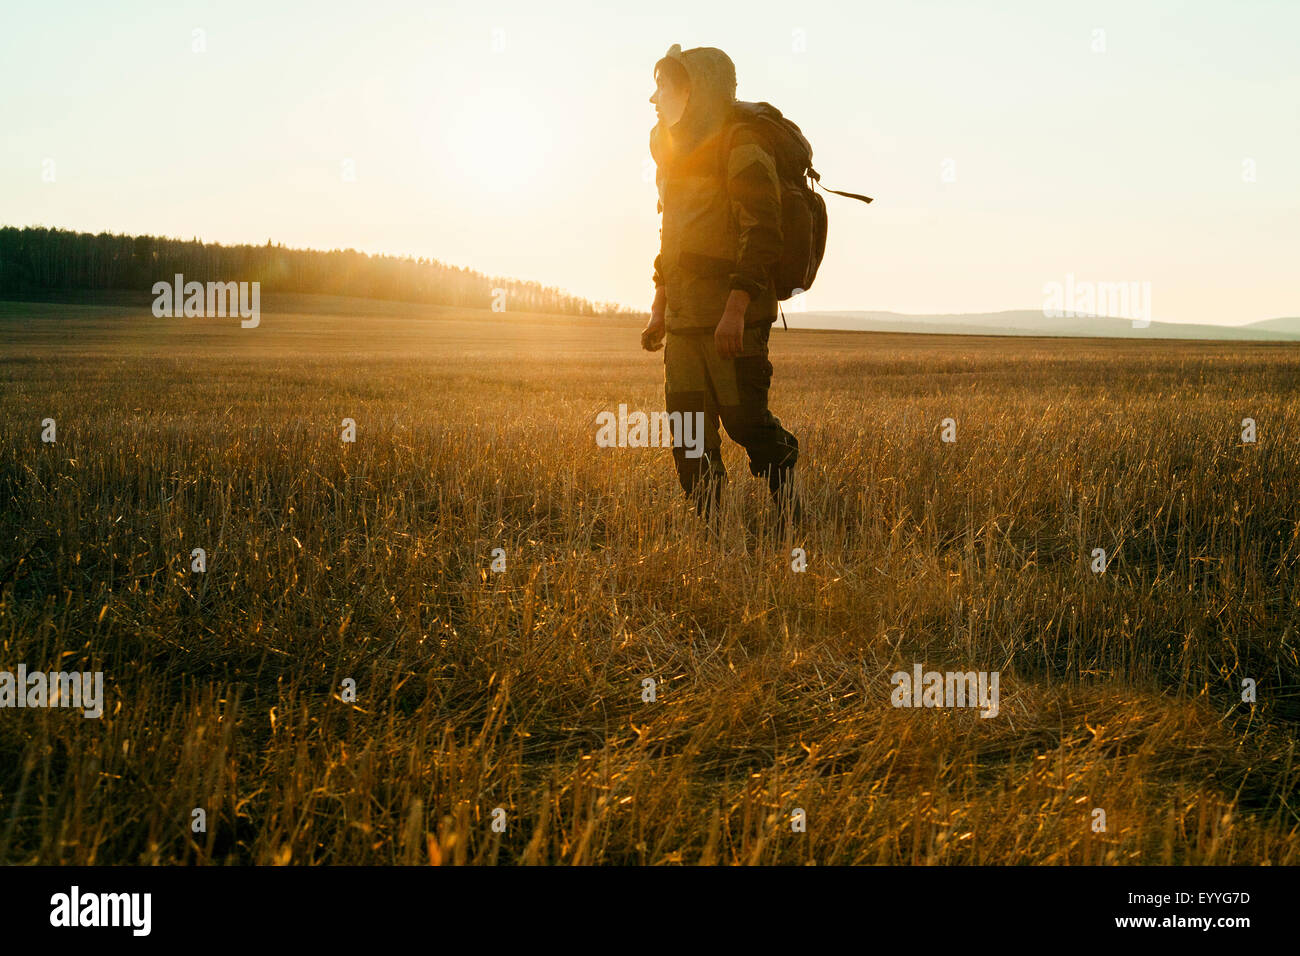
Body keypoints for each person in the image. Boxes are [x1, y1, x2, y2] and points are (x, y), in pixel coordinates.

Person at [641, 43, 800, 527]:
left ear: (697, 89)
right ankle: (714, 531)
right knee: (689, 435)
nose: (653, 98)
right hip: (686, 319)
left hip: (735, 316)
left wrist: (736, 308)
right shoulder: (670, 150)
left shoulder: (741, 143)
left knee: (745, 421)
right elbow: (670, 239)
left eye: (664, 87)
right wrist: (658, 307)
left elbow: (763, 231)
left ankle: (788, 493)